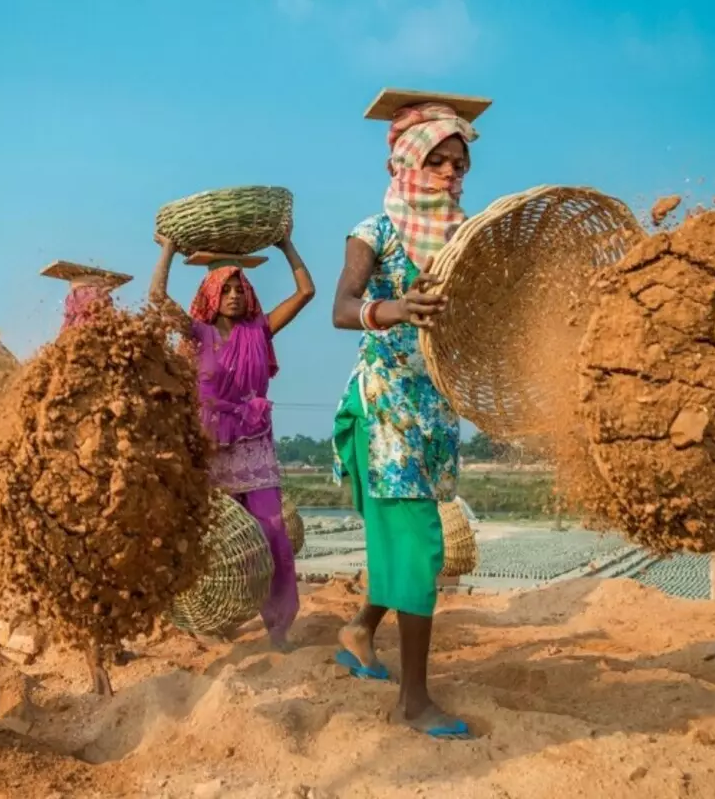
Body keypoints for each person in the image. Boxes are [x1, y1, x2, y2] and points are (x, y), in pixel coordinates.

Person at [330, 99, 478, 739]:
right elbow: (342, 307)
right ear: (406, 162)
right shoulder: (376, 230)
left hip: (434, 410)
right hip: (386, 405)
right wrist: (398, 308)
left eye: (459, 163)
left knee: (408, 545)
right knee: (419, 546)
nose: (449, 173)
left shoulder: (468, 238)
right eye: (437, 160)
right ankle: (415, 702)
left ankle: (359, 631)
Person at [150, 229, 315, 649]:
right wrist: (169, 248)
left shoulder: (259, 331)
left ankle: (278, 625)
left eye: (240, 287)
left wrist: (285, 245)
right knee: (208, 536)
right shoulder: (197, 334)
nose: (235, 295)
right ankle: (207, 620)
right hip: (208, 448)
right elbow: (156, 297)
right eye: (225, 288)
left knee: (273, 533)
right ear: (210, 295)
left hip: (254, 445)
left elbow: (307, 291)